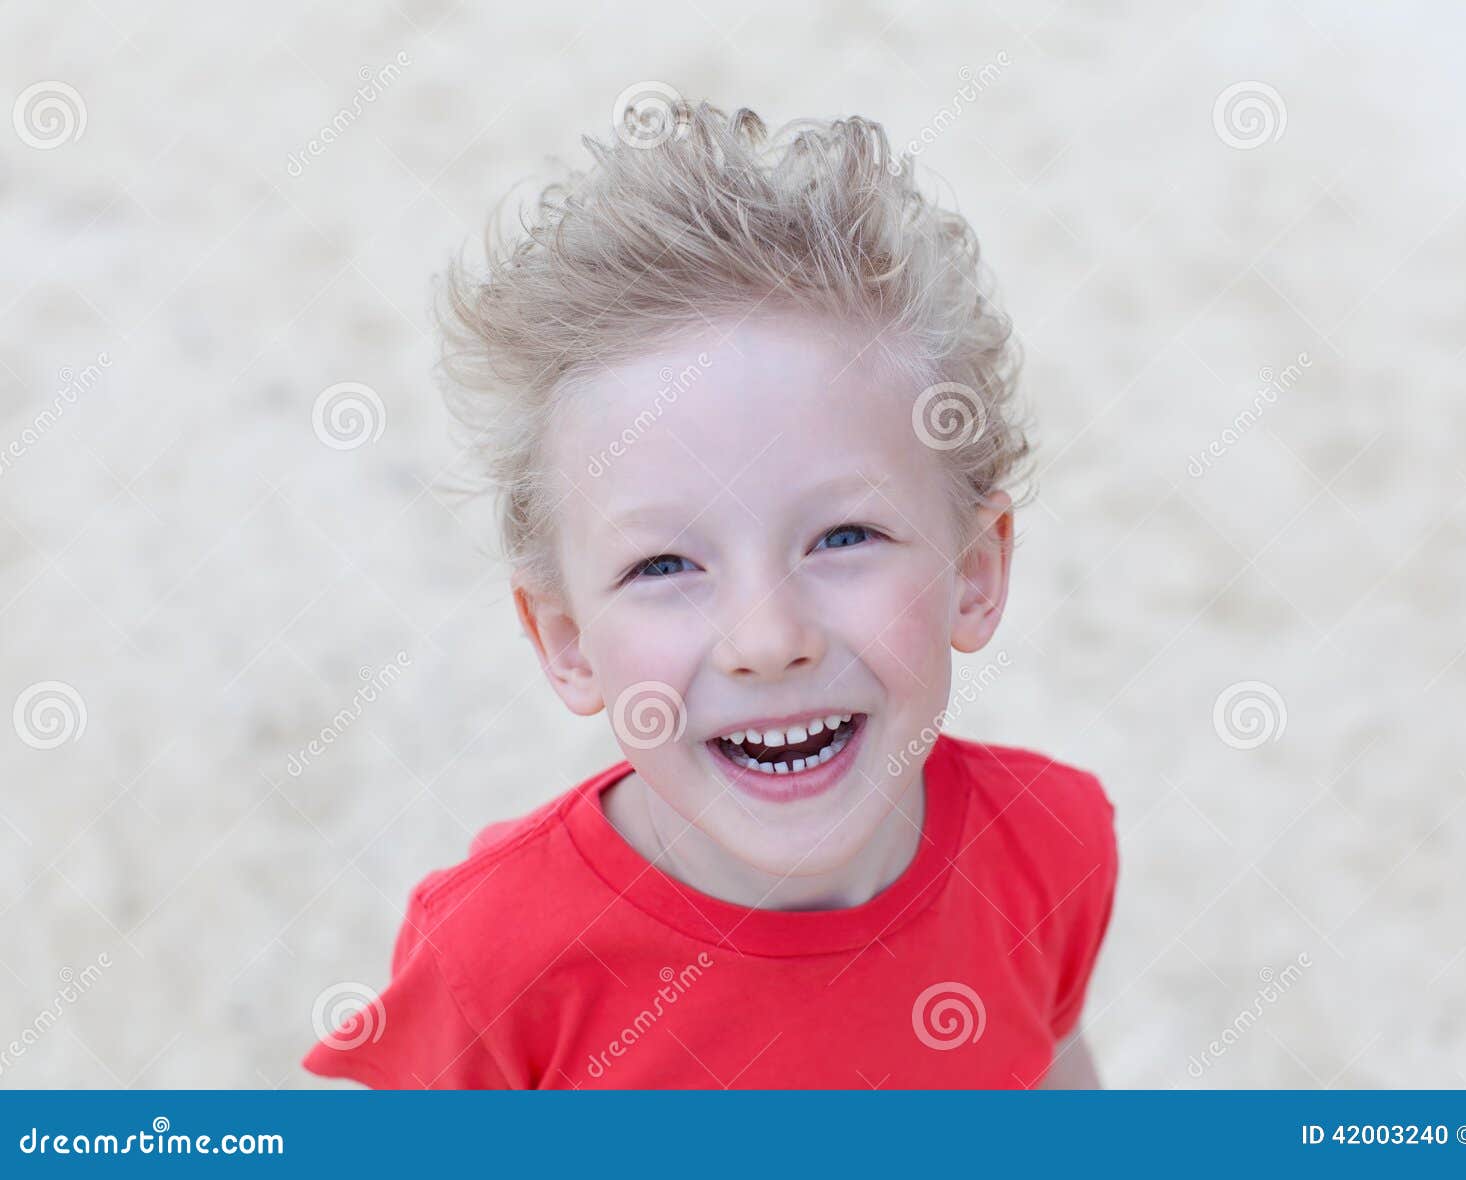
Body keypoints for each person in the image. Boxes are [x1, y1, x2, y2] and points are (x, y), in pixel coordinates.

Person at [301, 97, 1117, 1089]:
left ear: (976, 572)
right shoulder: (495, 960)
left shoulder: (1048, 843)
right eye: (664, 566)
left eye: (844, 536)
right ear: (563, 638)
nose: (768, 639)